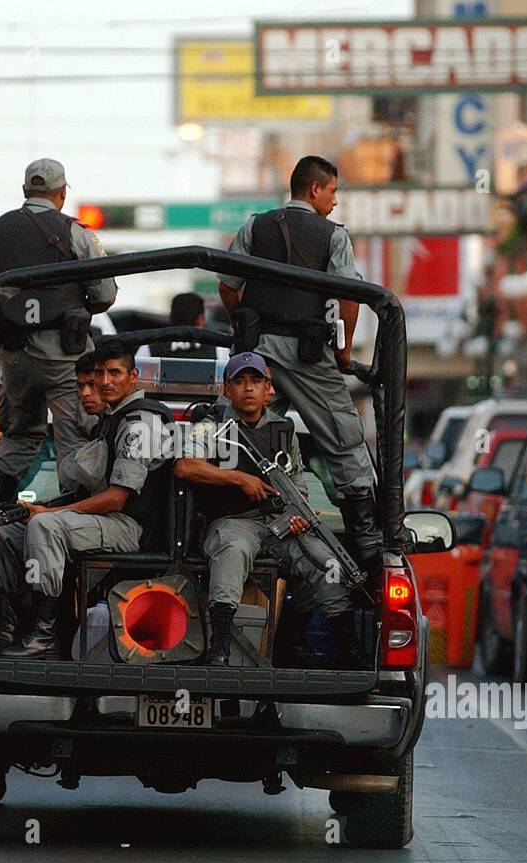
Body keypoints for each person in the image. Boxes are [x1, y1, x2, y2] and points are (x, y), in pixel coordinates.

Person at [217, 155, 382, 574]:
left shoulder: (255, 226)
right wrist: (343, 353)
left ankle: (230, 520)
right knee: (344, 438)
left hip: (256, 355)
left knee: (239, 438)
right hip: (308, 355)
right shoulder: (332, 235)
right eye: (333, 191)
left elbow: (227, 284)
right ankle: (365, 544)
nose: (335, 201)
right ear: (315, 190)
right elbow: (350, 296)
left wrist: (245, 327)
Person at [0, 340, 174, 660]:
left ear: (133, 377)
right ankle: (7, 624)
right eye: (100, 374)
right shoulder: (112, 419)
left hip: (131, 528)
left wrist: (49, 512)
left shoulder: (140, 423)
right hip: (106, 521)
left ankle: (44, 637)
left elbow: (116, 499)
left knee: (45, 525)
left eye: (115, 373)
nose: (104, 382)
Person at [174, 352, 358, 668]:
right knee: (232, 550)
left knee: (327, 563)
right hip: (233, 521)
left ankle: (312, 641)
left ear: (268, 388)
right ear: (226, 389)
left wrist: (297, 517)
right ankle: (219, 645)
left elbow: (296, 484)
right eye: (240, 382)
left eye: (256, 381)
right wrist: (238, 478)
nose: (248, 389)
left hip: (279, 523)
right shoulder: (211, 424)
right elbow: (185, 466)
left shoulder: (283, 430)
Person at [0, 158, 118, 504]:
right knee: (75, 435)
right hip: (65, 356)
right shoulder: (75, 232)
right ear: (63, 193)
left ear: (25, 191)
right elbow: (105, 294)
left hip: (14, 355)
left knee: (19, 434)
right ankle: (71, 515)